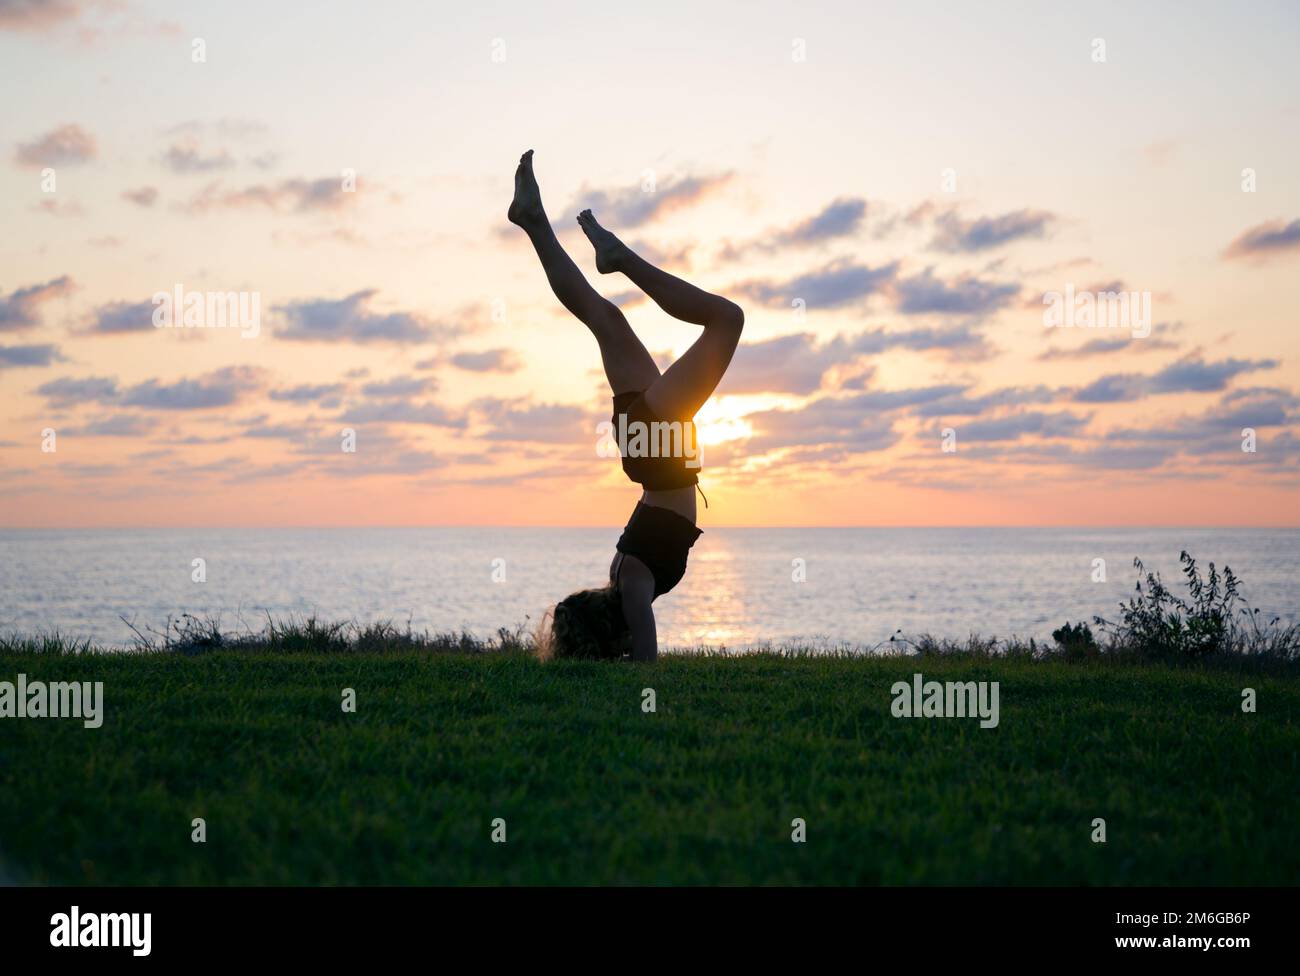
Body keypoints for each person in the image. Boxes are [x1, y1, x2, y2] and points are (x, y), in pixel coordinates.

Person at [508, 150, 744, 662]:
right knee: (603, 317)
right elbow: (641, 653)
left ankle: (620, 259)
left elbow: (647, 664)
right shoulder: (624, 575)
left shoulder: (633, 583)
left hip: (659, 459)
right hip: (650, 456)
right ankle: (532, 221)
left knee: (727, 320)